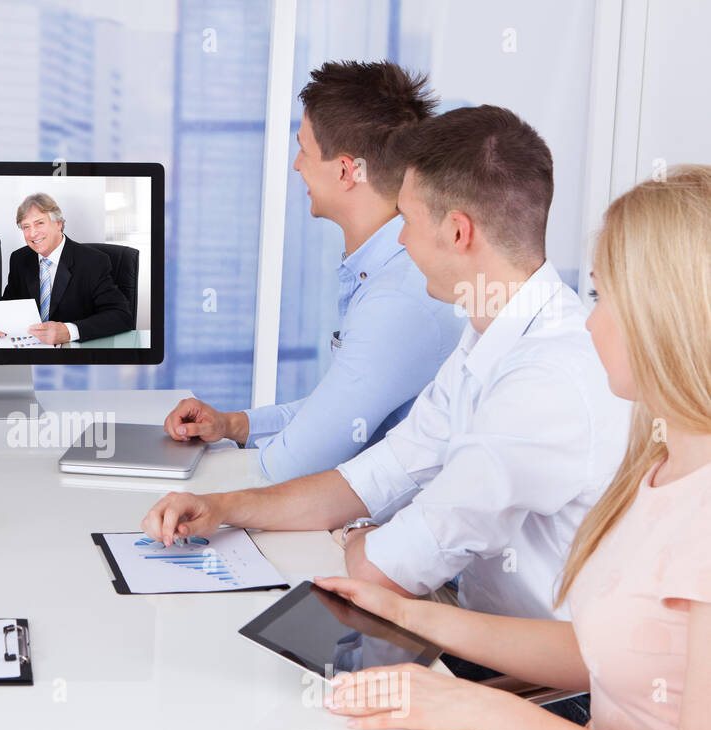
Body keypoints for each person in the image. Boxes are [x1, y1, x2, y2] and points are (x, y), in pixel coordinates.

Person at [316, 165, 711, 730]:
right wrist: (413, 618)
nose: (591, 320)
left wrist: (488, 712)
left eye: (603, 296)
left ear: (667, 317)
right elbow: (601, 652)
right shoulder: (656, 465)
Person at [142, 106, 630, 624]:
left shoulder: (546, 379)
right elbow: (371, 479)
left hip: (538, 686)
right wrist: (223, 508)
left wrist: (356, 534)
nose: (399, 240)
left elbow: (386, 567)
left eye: (408, 220)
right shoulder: (485, 339)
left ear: (459, 232)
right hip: (468, 626)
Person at [164, 61, 465, 483]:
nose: (296, 165)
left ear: (345, 171)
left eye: (303, 148)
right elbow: (335, 410)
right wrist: (233, 426)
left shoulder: (399, 297)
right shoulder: (390, 270)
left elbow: (294, 464)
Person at [0, 192, 133, 344]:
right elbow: (8, 303)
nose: (32, 233)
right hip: (30, 350)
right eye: (26, 227)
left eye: (39, 223)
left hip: (78, 357)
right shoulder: (20, 259)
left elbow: (121, 315)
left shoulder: (94, 262)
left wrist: (69, 331)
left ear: (58, 224)